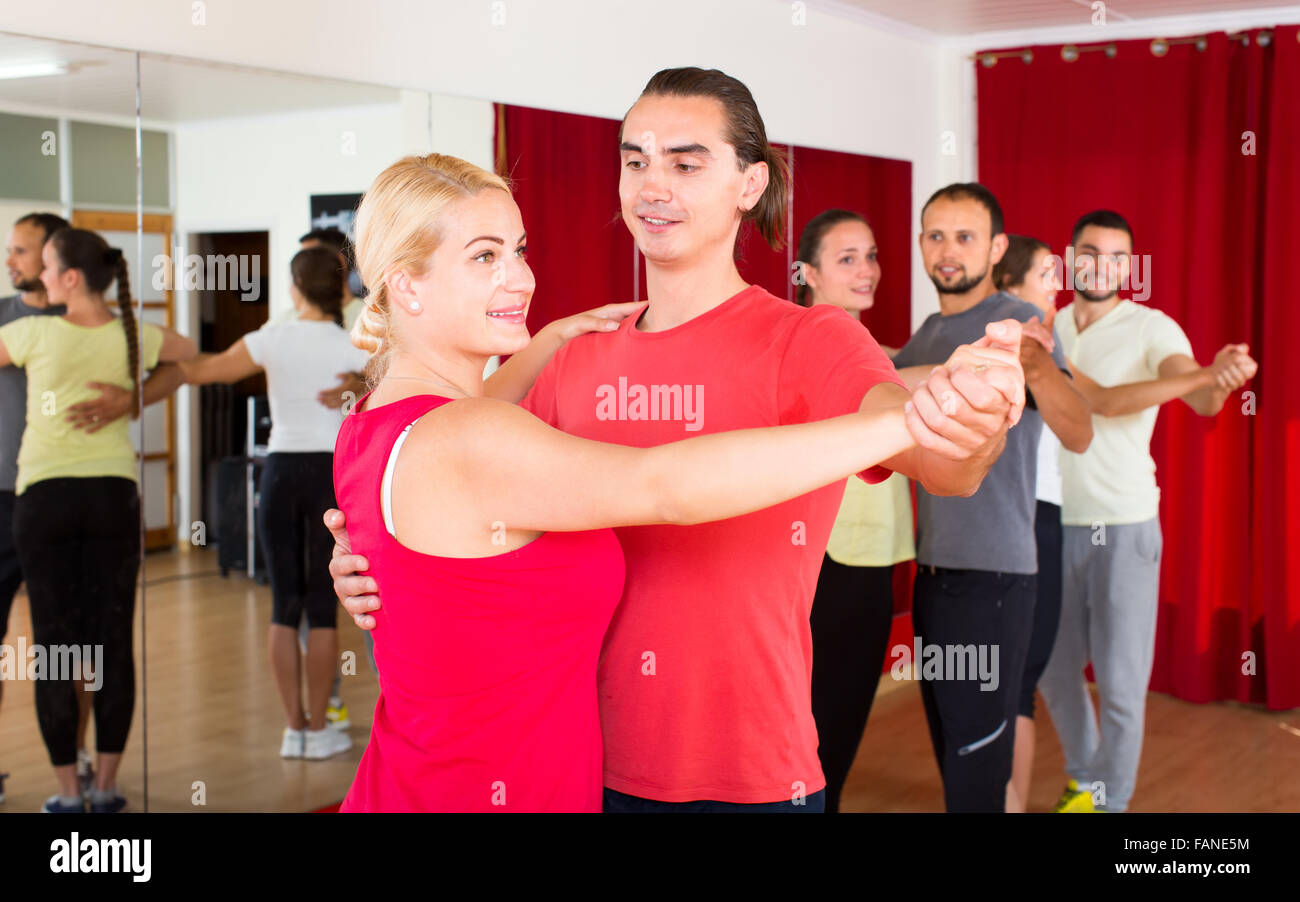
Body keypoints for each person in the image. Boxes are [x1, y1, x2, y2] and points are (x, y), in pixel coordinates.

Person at [329, 68, 1028, 813]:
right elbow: (450, 469)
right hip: (580, 768)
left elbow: (945, 469)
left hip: (746, 778)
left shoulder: (810, 339)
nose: (653, 186)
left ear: (750, 183)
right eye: (636, 161)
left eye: (686, 164)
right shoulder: (570, 358)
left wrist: (969, 413)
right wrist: (373, 553)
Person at [1038, 210, 1256, 813]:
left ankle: (1111, 805)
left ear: (1129, 268)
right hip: (1053, 524)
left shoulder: (1151, 327)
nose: (1101, 266)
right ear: (1070, 255)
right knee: (1053, 671)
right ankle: (1085, 777)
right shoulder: (1047, 324)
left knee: (1120, 685)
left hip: (1125, 526)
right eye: (1090, 252)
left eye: (1115, 257)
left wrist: (1220, 377)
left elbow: (1201, 393)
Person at [891, 184, 1092, 812]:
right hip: (934, 575)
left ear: (996, 246)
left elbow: (1079, 432)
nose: (947, 252)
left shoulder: (1015, 326)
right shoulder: (928, 332)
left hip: (995, 581)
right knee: (955, 749)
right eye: (935, 236)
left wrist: (1035, 371)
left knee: (978, 762)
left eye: (964, 237)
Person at [0, 227, 196, 812]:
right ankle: (106, 787)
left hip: (43, 503)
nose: (38, 275)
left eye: (46, 266)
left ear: (69, 278)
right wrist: (131, 398)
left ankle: (67, 794)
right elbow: (188, 359)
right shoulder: (136, 333)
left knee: (55, 649)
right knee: (112, 644)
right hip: (113, 498)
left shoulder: (31, 332)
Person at [180, 246, 370, 761]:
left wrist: (163, 354)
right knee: (322, 610)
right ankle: (321, 729)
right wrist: (358, 383)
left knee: (283, 606)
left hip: (282, 474)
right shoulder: (354, 343)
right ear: (341, 290)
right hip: (329, 479)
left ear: (293, 288)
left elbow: (207, 372)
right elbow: (392, 381)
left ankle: (296, 729)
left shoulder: (272, 338)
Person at [794, 208, 915, 813]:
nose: (867, 270)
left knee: (841, 725)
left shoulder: (874, 349)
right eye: (848, 259)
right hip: (819, 564)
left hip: (870, 560)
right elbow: (894, 378)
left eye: (870, 255)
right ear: (807, 272)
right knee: (813, 724)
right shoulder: (801, 341)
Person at [993, 233, 1069, 812]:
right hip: (1019, 524)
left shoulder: (1047, 339)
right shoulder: (1018, 335)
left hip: (1040, 521)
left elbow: (1080, 421)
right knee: (1009, 687)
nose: (1057, 286)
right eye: (1046, 275)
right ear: (1010, 284)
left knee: (1016, 683)